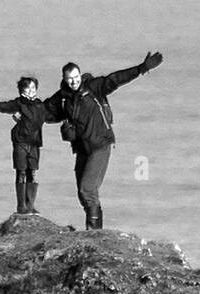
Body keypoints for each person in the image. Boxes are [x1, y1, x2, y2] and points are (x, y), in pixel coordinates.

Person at [44, 52, 163, 229]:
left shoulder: (94, 87)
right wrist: (25, 114)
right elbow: (44, 111)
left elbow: (116, 79)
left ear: (80, 75)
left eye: (76, 77)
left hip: (101, 146)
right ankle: (95, 230)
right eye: (70, 79)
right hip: (82, 149)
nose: (74, 81)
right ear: (64, 79)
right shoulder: (62, 98)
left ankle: (93, 231)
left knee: (87, 189)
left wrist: (141, 68)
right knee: (83, 193)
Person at [0, 76, 61, 216]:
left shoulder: (40, 106)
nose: (32, 90)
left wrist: (69, 116)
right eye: (29, 88)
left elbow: (52, 118)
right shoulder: (18, 104)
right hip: (20, 142)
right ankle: (21, 207)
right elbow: (1, 106)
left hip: (35, 144)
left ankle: (30, 206)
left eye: (34, 87)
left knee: (32, 173)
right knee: (21, 172)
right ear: (22, 90)